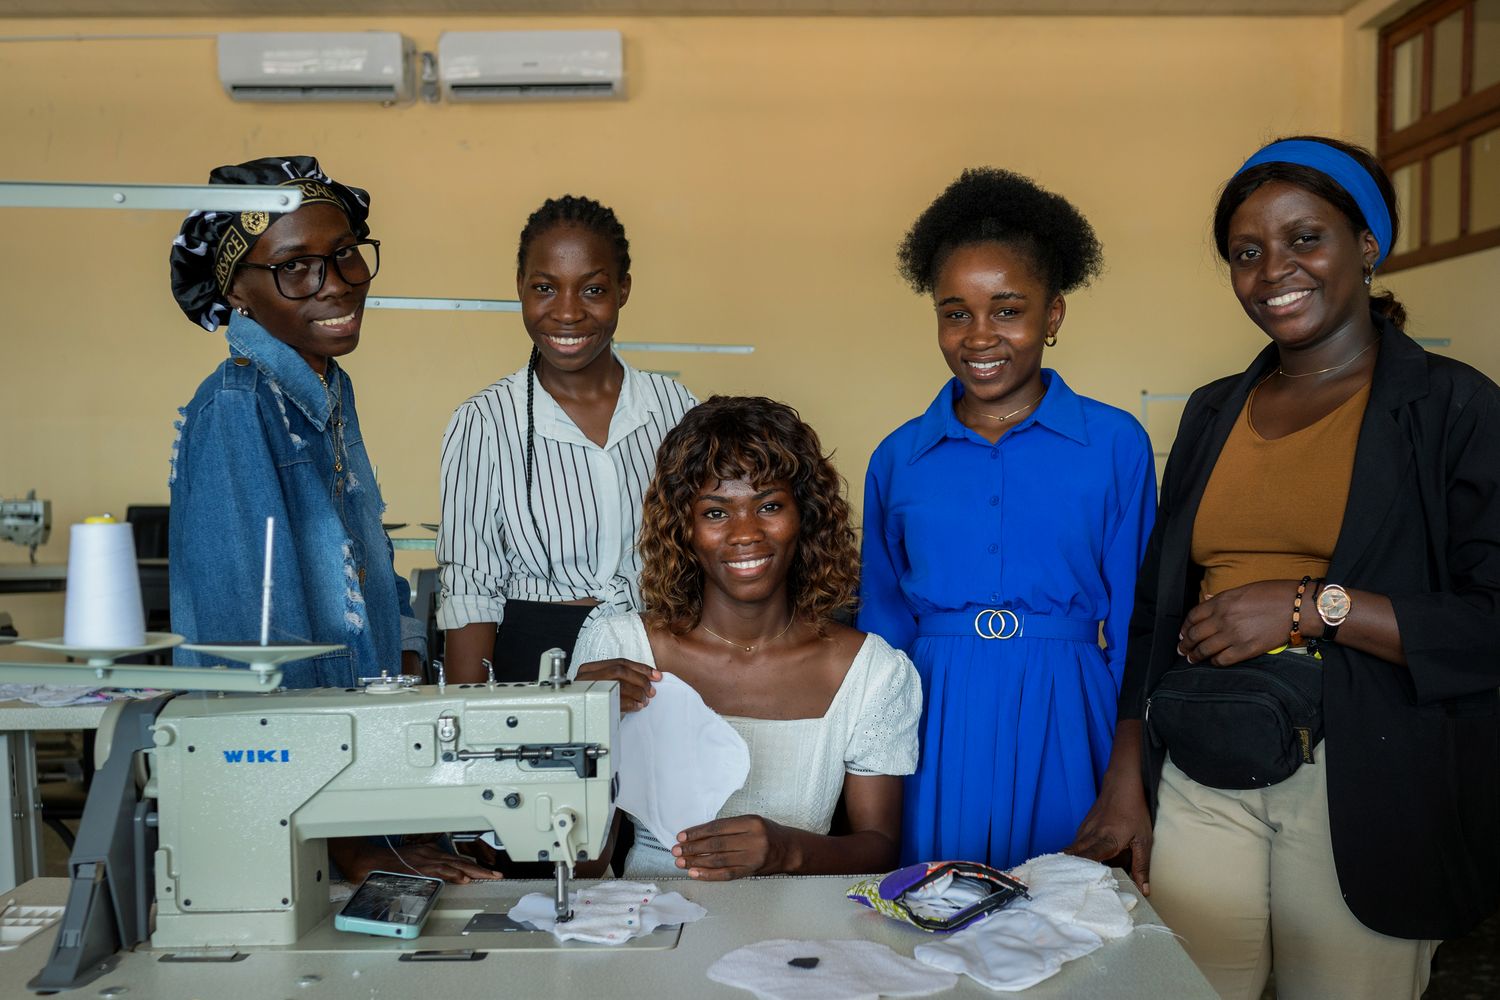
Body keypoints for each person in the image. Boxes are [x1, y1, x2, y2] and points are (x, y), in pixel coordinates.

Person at [1069, 136, 1500, 1000]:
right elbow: (1158, 609)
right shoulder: (1214, 410)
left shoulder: (1452, 406)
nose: (1275, 271)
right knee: (1189, 988)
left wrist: (1311, 607)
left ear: (1367, 246)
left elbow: (1489, 621)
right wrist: (1127, 782)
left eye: (1306, 239)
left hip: (1365, 774)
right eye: (1248, 252)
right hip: (1202, 761)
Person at [857, 168, 1155, 870]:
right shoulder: (899, 458)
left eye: (1008, 310)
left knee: (1064, 921)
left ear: (1052, 317)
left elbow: (1141, 621)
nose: (979, 335)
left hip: (1072, 708)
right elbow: (881, 630)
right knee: (934, 918)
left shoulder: (1115, 446)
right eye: (955, 311)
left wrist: (1127, 770)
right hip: (934, 718)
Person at [573, 396, 922, 880]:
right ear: (684, 527)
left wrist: (787, 851)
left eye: (769, 506)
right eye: (716, 513)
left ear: (808, 515)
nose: (745, 534)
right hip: (646, 925)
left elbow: (880, 848)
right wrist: (577, 727)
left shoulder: (871, 672)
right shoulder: (619, 647)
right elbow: (582, 863)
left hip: (799, 939)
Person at [168, 156, 426, 689]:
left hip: (353, 728)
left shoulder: (326, 390)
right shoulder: (237, 408)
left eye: (344, 254)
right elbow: (248, 639)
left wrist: (406, 659)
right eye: (293, 266)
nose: (334, 284)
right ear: (237, 293)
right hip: (293, 746)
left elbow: (362, 556)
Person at [437, 195, 696, 684]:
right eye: (544, 288)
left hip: (661, 654)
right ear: (520, 288)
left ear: (623, 289)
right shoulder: (485, 422)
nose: (568, 313)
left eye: (593, 289)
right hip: (536, 661)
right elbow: (470, 589)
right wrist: (469, 732)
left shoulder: (676, 408)